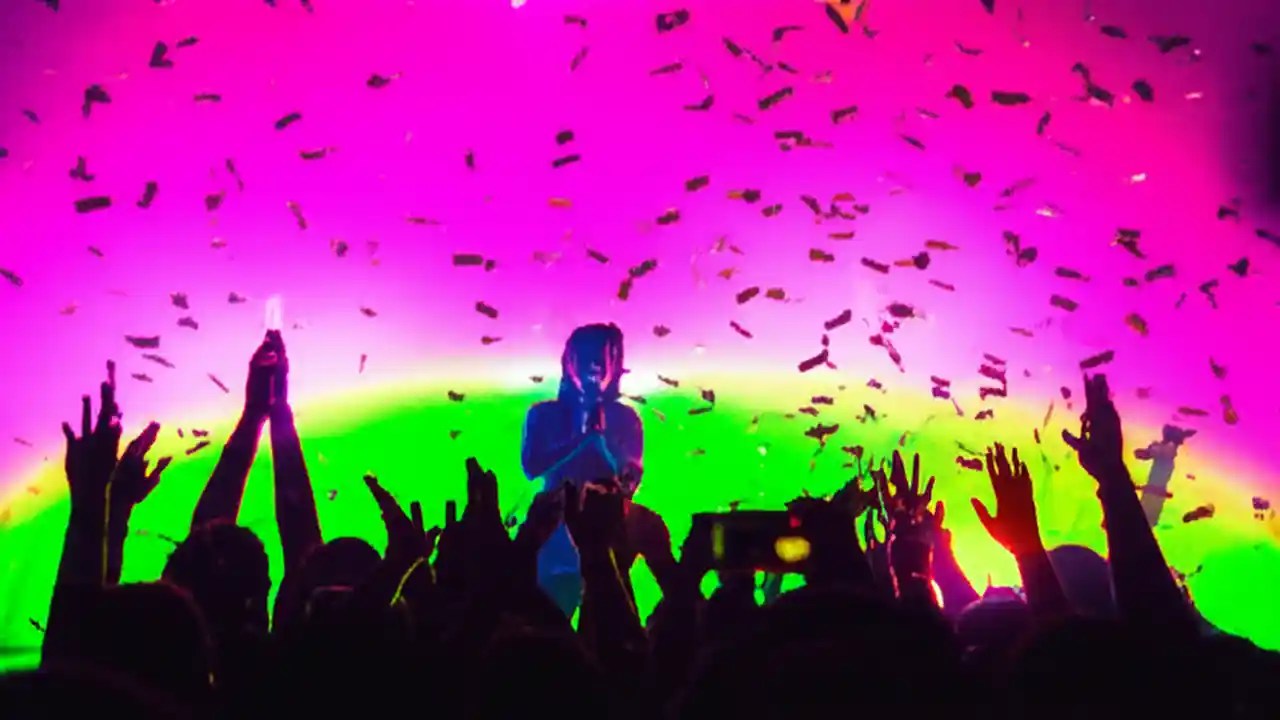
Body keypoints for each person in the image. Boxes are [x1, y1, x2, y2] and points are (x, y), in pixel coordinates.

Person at [520, 324, 645, 616]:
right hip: (553, 544)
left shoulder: (626, 419)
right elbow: (531, 466)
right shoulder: (542, 414)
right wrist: (583, 439)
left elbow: (628, 483)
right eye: (588, 354)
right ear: (568, 360)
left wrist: (598, 440)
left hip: (607, 547)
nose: (595, 364)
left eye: (604, 357)